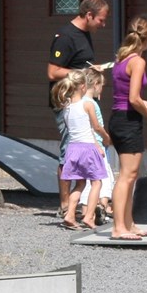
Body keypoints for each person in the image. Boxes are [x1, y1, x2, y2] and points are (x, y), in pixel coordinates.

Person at [47, 0, 109, 220]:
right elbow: (53, 72)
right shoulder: (65, 36)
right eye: (101, 20)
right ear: (89, 15)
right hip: (67, 105)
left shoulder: (84, 35)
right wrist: (83, 72)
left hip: (84, 103)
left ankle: (82, 206)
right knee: (68, 153)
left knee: (86, 151)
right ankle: (65, 205)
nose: (103, 25)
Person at [107, 16, 147, 242]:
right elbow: (133, 98)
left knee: (131, 175)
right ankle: (118, 227)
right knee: (126, 176)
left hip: (119, 117)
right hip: (128, 120)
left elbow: (126, 96)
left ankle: (129, 223)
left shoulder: (121, 58)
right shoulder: (137, 61)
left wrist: (144, 104)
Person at [58, 72, 113, 230]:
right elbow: (95, 127)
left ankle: (69, 215)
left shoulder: (66, 107)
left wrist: (96, 143)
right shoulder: (87, 104)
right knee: (97, 182)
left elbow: (79, 129)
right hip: (87, 148)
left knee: (80, 183)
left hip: (73, 148)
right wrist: (106, 137)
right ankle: (89, 216)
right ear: (83, 86)